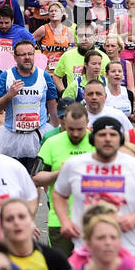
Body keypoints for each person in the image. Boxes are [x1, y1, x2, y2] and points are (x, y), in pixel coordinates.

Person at [52, 117, 135, 254]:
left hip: (123, 252)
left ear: (121, 139)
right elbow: (58, 194)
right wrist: (65, 221)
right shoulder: (75, 164)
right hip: (85, 251)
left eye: (113, 135)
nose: (108, 139)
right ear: (93, 139)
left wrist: (134, 218)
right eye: (102, 135)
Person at [0, 37, 59, 169]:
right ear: (15, 58)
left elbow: (52, 105)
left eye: (30, 54)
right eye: (22, 55)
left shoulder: (44, 76)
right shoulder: (6, 76)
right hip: (12, 137)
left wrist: (58, 130)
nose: (27, 58)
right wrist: (9, 95)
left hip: (37, 134)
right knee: (13, 179)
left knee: (36, 180)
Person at [33, 103, 93, 254]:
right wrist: (61, 173)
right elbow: (36, 177)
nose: (75, 133)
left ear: (87, 123)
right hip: (59, 221)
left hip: (92, 220)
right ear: (64, 121)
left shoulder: (97, 141)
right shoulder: (51, 143)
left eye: (80, 129)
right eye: (71, 129)